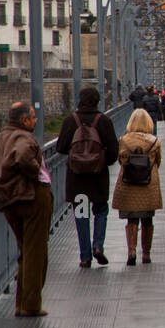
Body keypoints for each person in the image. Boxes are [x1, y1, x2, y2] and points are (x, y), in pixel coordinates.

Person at [0, 101, 52, 317]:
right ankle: (31, 304)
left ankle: (20, 303)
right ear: (24, 120)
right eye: (33, 117)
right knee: (36, 252)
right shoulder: (23, 137)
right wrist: (35, 174)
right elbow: (24, 156)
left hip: (8, 200)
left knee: (26, 250)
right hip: (31, 197)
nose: (35, 120)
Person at [56, 85, 120, 269]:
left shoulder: (70, 121)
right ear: (97, 101)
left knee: (81, 214)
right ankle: (98, 246)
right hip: (98, 177)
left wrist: (77, 159)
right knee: (100, 211)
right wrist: (99, 162)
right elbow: (114, 151)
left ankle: (85, 257)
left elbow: (60, 148)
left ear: (80, 100)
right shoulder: (103, 121)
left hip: (77, 179)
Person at [112, 108, 163, 265]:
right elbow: (158, 162)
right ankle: (146, 254)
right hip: (148, 185)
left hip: (129, 185)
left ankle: (132, 251)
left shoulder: (124, 140)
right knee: (147, 220)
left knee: (132, 219)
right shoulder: (155, 142)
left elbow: (121, 161)